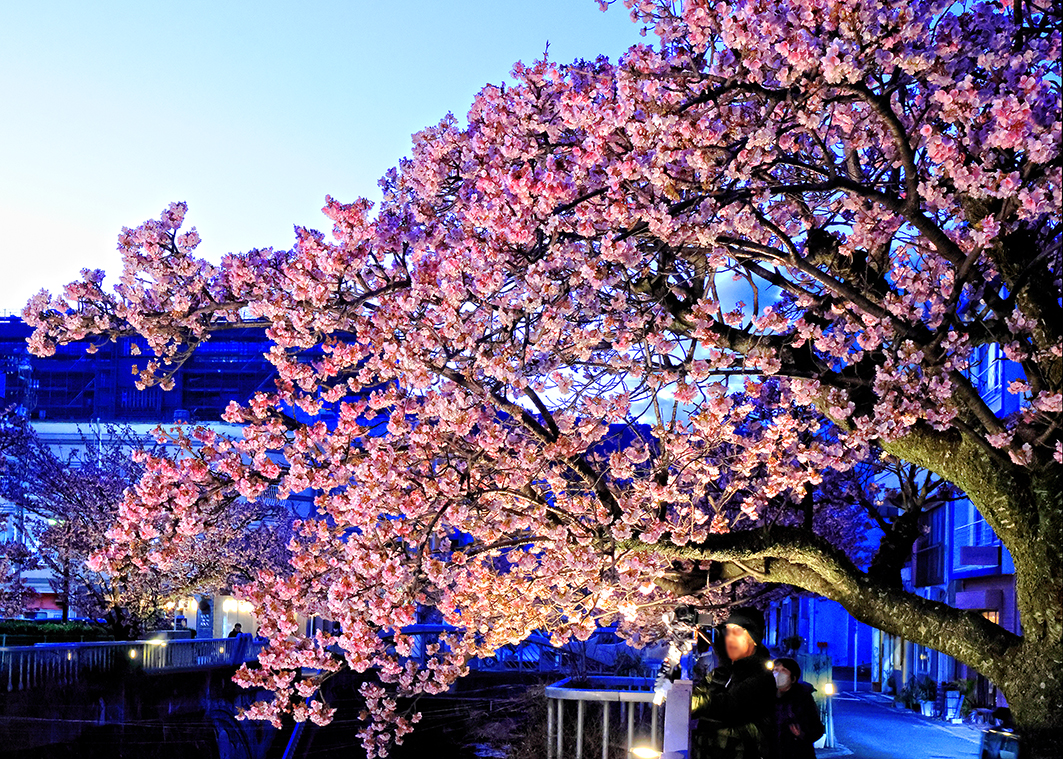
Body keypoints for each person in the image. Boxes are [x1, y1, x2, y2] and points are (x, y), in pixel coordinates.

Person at [690, 606, 777, 759]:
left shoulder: (761, 677)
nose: (730, 638)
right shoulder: (725, 671)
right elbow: (696, 696)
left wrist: (686, 702)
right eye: (728, 631)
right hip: (707, 751)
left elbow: (725, 706)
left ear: (753, 637)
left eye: (736, 632)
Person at [771, 657, 824, 759]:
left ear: (793, 678)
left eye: (784, 671)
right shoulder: (765, 696)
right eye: (775, 670)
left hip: (798, 753)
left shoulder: (802, 698)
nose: (777, 674)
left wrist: (802, 734)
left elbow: (818, 729)